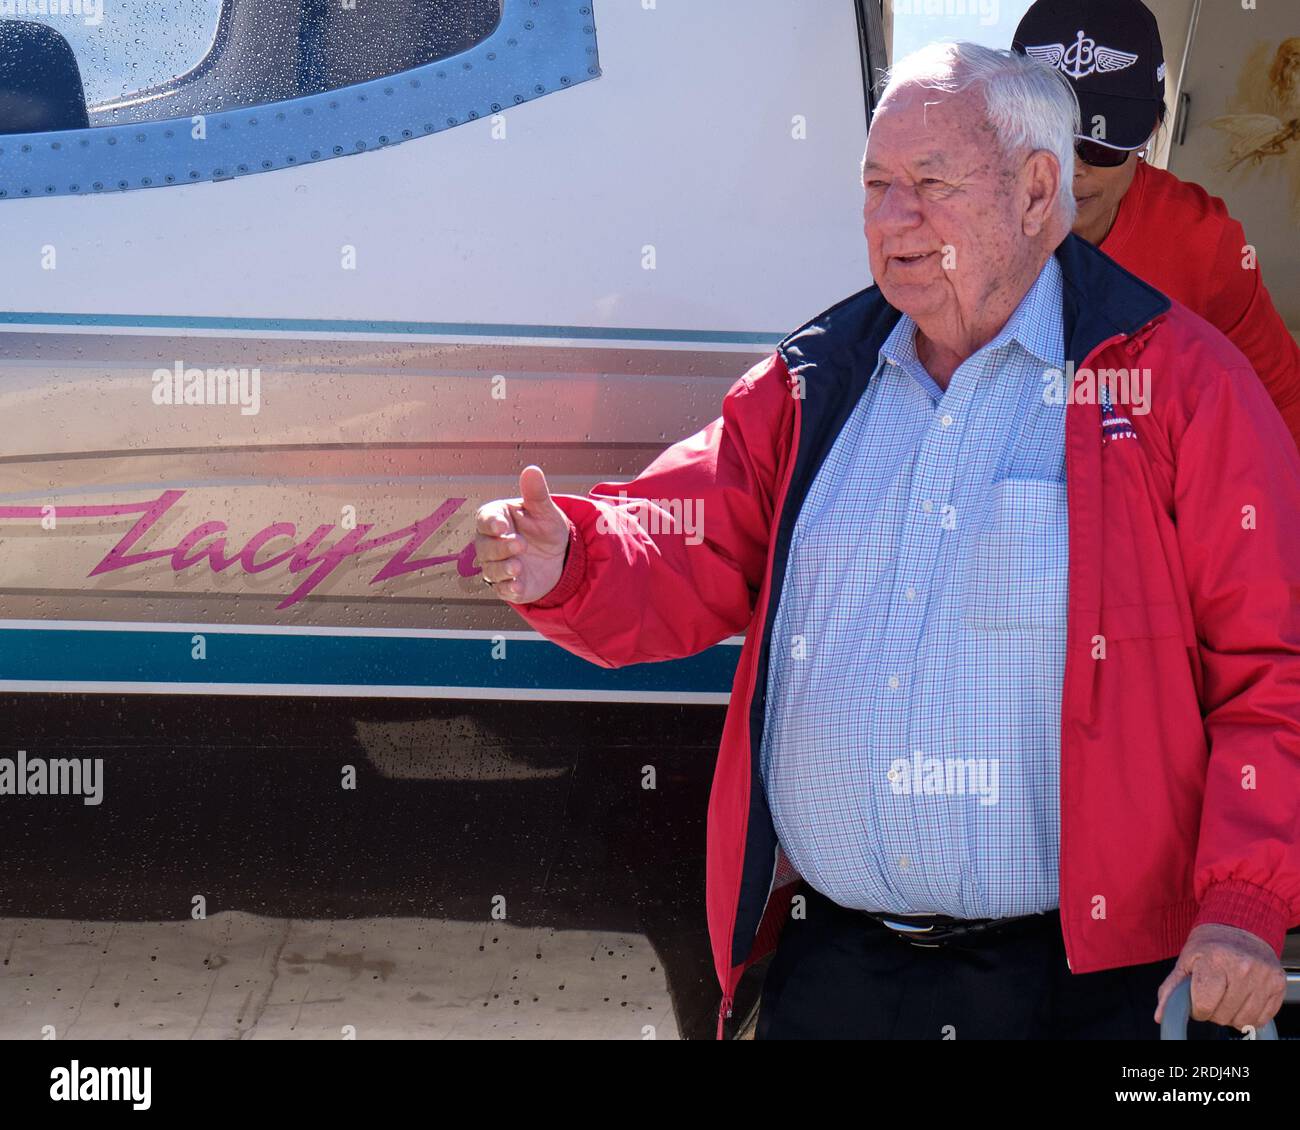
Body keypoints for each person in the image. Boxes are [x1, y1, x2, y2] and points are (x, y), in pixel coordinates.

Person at [474, 41, 1300, 1039]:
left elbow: (1273, 666)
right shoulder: (816, 381)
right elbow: (689, 535)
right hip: (839, 972)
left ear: (1038, 193)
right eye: (875, 185)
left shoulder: (1179, 384)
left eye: (930, 185)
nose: (889, 218)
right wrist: (576, 557)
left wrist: (1244, 903)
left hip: (1084, 989)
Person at [1013, 0, 1300, 451]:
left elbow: (1281, 401)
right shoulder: (958, 218)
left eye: (1101, 147)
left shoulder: (1204, 245)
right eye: (1045, 141)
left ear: (1148, 132)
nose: (1070, 171)